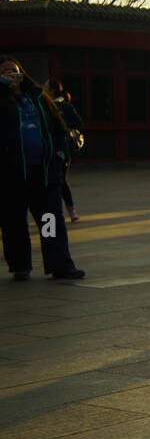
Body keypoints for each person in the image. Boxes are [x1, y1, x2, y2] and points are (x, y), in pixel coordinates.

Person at [0, 57, 84, 279]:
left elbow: (57, 126)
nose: (10, 74)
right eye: (4, 71)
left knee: (49, 220)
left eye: (13, 70)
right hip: (12, 173)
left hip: (44, 171)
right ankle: (20, 266)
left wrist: (58, 154)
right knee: (14, 222)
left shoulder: (37, 97)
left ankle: (59, 264)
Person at [44, 78, 83, 221]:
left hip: (61, 147)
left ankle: (70, 210)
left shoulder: (64, 106)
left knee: (60, 180)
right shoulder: (43, 105)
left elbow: (78, 122)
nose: (43, 88)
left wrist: (61, 123)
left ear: (52, 90)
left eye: (46, 86)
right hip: (46, 148)